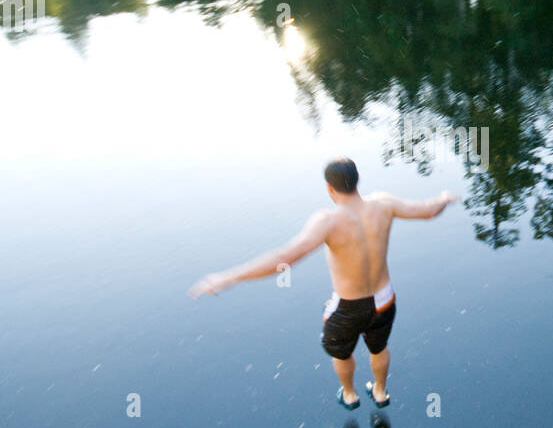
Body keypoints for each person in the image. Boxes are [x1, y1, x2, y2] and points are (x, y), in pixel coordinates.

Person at [188, 157, 458, 409]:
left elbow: (285, 258)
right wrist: (444, 197)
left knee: (341, 354)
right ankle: (380, 391)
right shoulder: (384, 204)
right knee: (379, 347)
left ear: (329, 188)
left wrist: (229, 276)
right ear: (358, 179)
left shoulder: (328, 220)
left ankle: (350, 395)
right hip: (384, 299)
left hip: (348, 307)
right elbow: (429, 211)